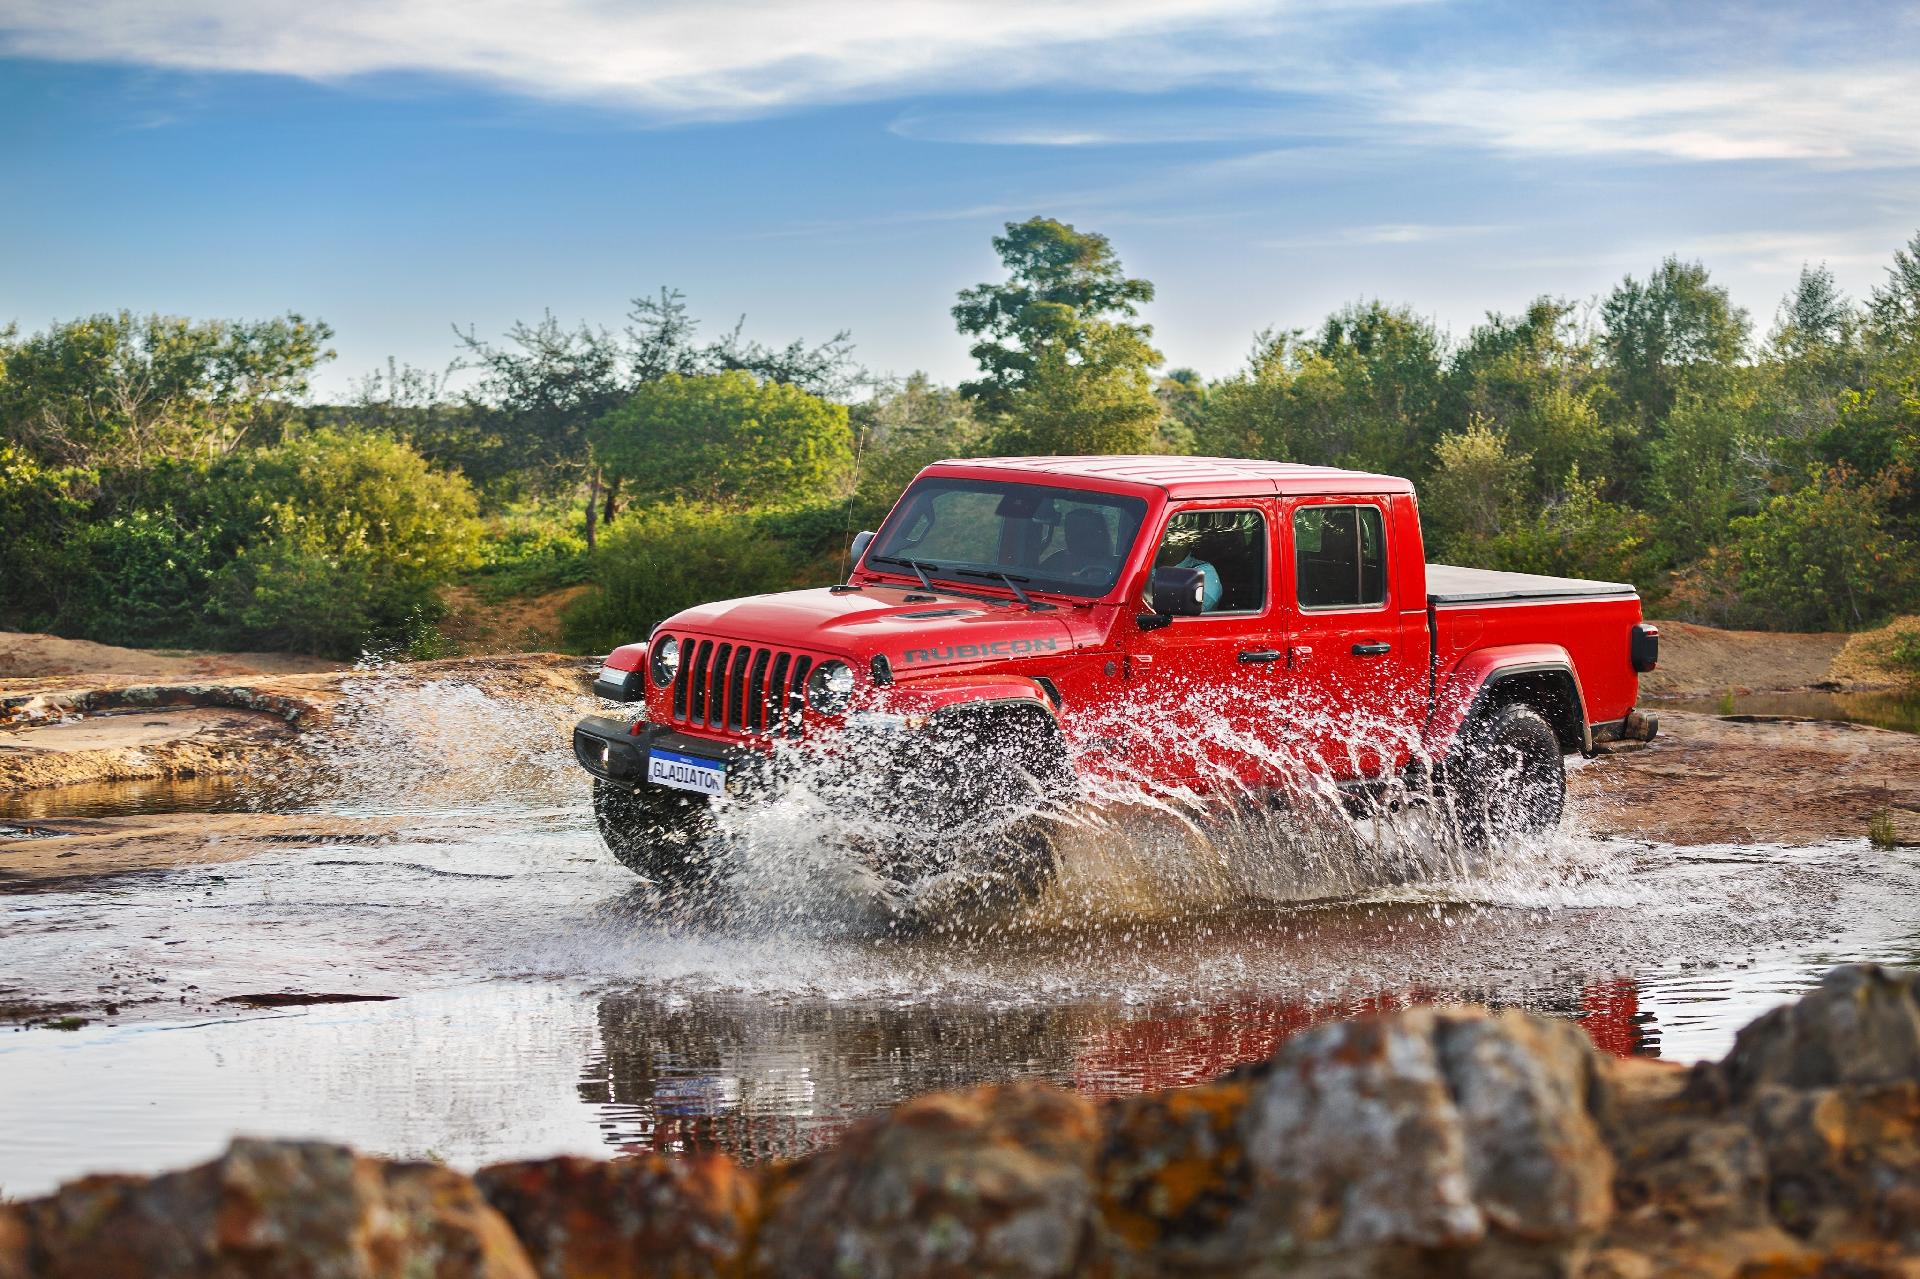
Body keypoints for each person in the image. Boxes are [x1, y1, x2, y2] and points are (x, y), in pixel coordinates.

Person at [1155, 522, 1223, 611]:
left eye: (1173, 535)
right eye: (1164, 533)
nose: (1164, 541)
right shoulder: (1143, 564)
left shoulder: (1204, 572)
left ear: (1189, 542)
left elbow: (1188, 613)